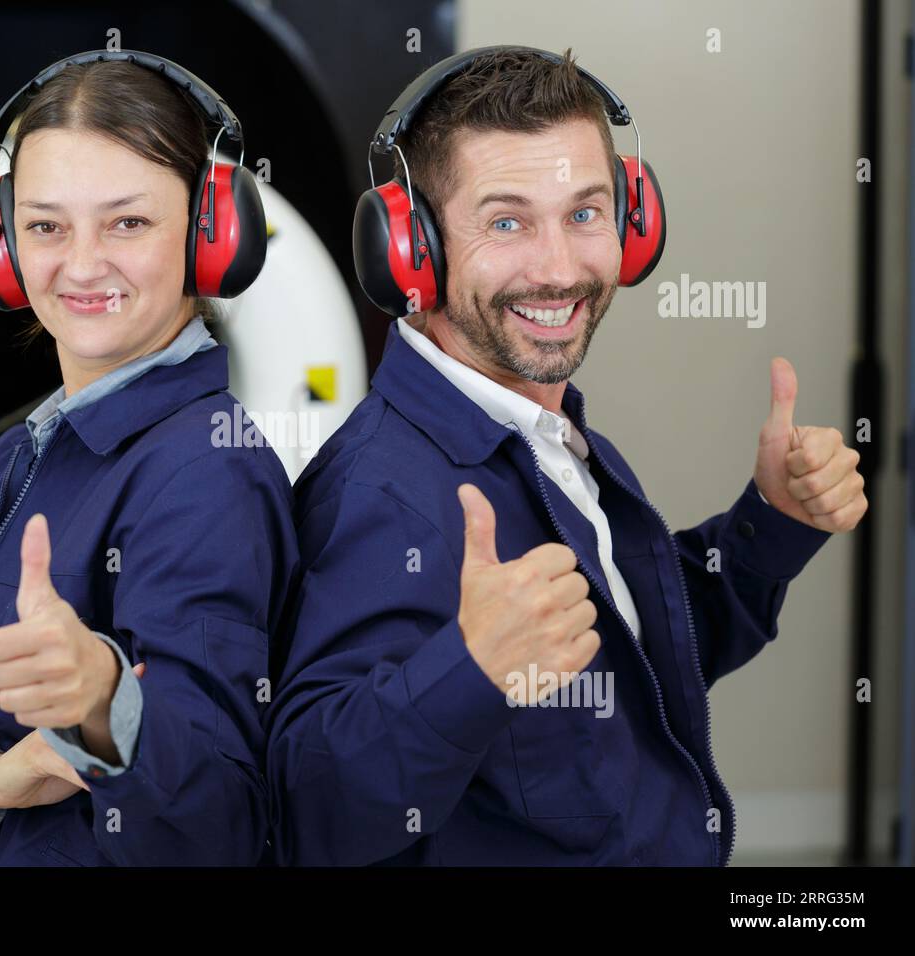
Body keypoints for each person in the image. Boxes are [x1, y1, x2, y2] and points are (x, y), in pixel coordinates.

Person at [265, 45, 865, 866]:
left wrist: (772, 522)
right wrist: (471, 671)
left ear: (631, 220)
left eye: (584, 213)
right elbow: (312, 810)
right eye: (506, 221)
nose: (558, 269)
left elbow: (639, 657)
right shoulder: (384, 493)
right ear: (412, 247)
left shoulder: (553, 439)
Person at [0, 51, 296, 866]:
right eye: (45, 225)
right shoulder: (19, 456)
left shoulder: (209, 472)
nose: (80, 264)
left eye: (128, 222)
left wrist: (109, 704)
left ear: (211, 234)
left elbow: (220, 817)